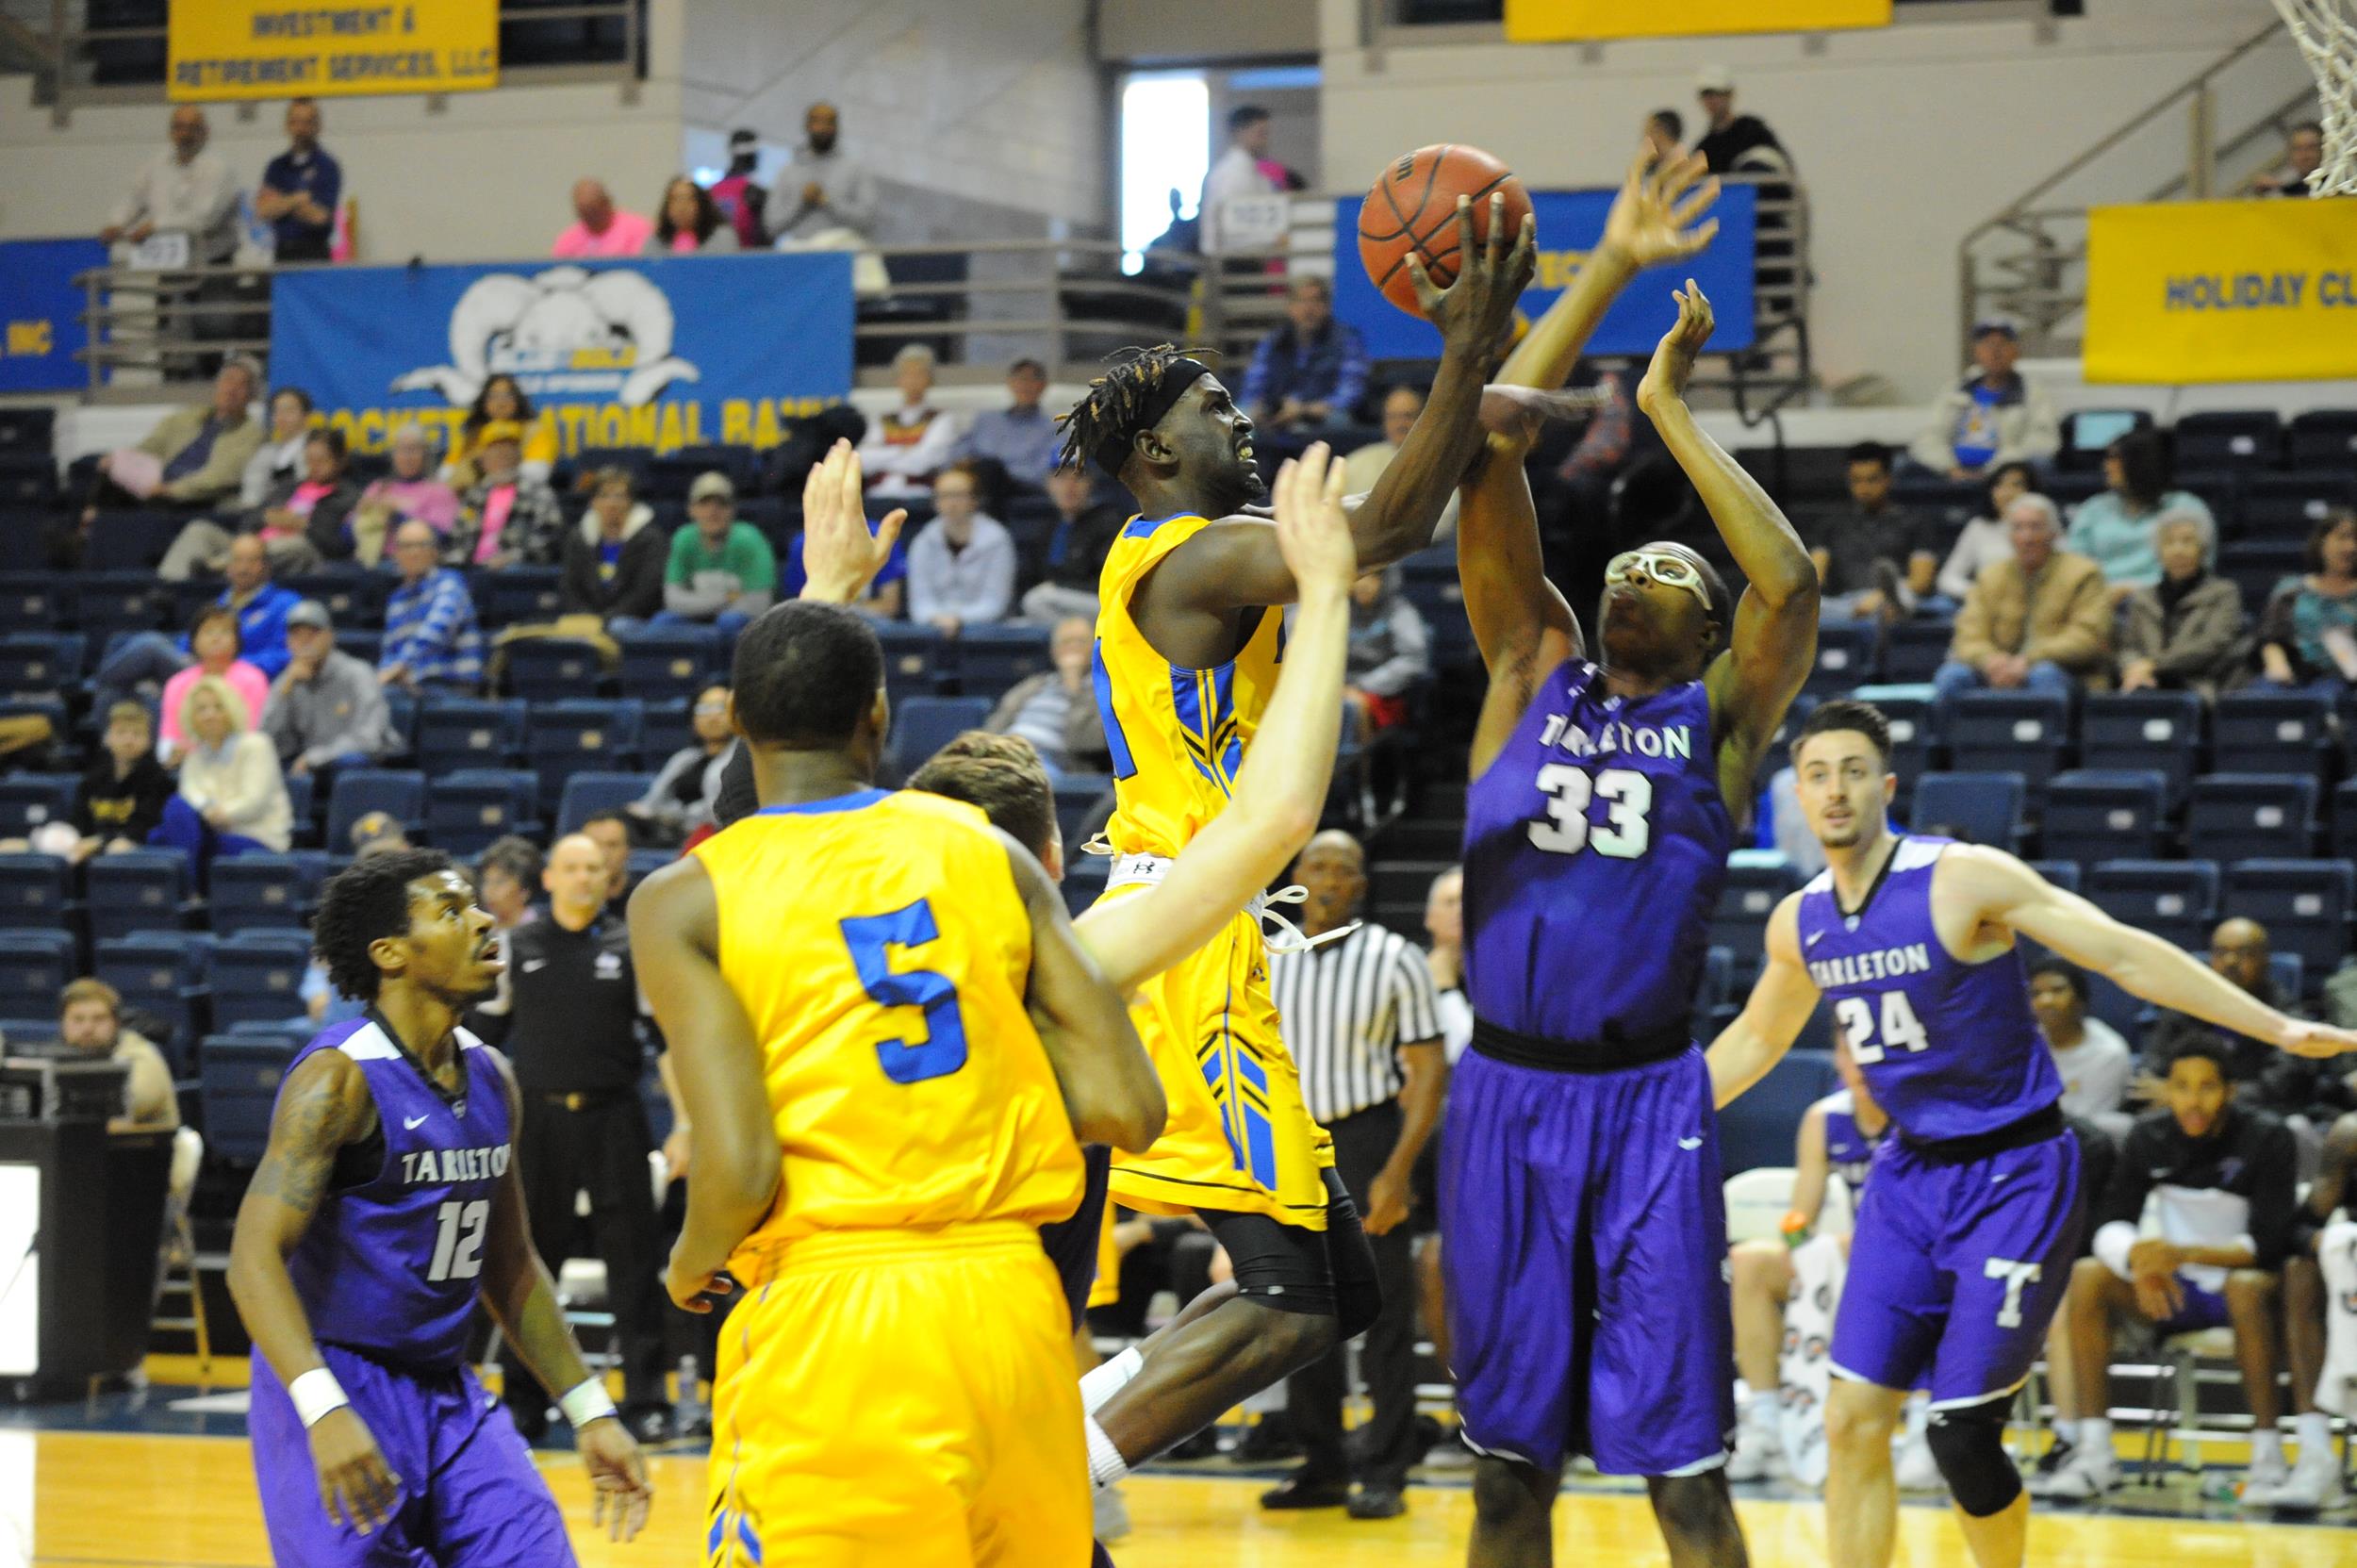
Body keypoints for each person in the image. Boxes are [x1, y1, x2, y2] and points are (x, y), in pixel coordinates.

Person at [723, 436, 1360, 1555]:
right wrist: (1324, 593)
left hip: (819, 1348)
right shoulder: (1064, 966)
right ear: (1048, 860)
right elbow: (1271, 821)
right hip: (987, 1353)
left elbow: (766, 810)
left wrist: (825, 594)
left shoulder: (795, 942)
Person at [1048, 171, 1530, 1500]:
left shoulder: (1212, 541)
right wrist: (1462, 354)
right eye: (1212, 408)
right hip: (1183, 938)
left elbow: (1406, 507)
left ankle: (1063, 1428)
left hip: (1203, 925)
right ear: (1155, 453)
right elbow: (1386, 529)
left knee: (1340, 1285)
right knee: (1290, 1294)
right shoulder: (1181, 553)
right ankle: (1052, 1472)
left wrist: (1481, 365)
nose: (1242, 416)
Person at [1705, 698, 2354, 1568]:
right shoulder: (1801, 919)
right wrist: (1649, 1113)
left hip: (2015, 1171)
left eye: (1853, 772)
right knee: (1851, 1416)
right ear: (1798, 793)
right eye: (1817, 774)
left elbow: (2120, 951)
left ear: (1886, 786)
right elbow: (1756, 1035)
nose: (1835, 790)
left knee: (1962, 1435)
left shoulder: (1961, 877)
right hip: (1908, 1178)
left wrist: (2274, 1026)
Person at [628, 574, 1160, 1563]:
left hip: (838, 1311)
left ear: (735, 719)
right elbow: (1129, 1107)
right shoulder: (989, 852)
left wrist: (691, 1261)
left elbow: (739, 1166)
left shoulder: (684, 897)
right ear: (877, 714)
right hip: (1013, 1311)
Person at [1441, 155, 1805, 1568]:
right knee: (1504, 1476)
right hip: (1504, 1093)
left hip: (1649, 1101)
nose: (1630, 575)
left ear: (1710, 635)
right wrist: (1603, 277)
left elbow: (1789, 583)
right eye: (1621, 568)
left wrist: (1668, 411)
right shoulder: (1528, 671)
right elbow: (1487, 449)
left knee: (1686, 1481)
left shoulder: (1720, 726)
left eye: (1668, 574)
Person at [225, 850, 651, 1561]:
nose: (483, 920)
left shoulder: (493, 1076)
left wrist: (590, 1409)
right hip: (337, 1377)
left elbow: (510, 1263)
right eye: (451, 911)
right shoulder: (337, 1081)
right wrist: (322, 1407)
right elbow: (252, 1257)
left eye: (477, 904)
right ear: (389, 953)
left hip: (447, 1388)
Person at [470, 834, 682, 1444]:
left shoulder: (630, 946)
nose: (583, 877)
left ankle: (646, 1399)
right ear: (550, 879)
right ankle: (524, 1401)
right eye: (571, 867)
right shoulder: (517, 946)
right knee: (530, 1260)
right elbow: (482, 1036)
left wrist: (687, 1124)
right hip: (538, 1121)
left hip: (615, 1116)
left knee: (634, 1262)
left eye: (593, 868)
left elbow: (666, 1041)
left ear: (608, 878)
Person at [1261, 830, 1446, 1521]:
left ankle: (1386, 1468)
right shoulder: (1265, 955)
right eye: (1319, 866)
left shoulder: (1396, 958)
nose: (1331, 879)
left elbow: (1430, 1072)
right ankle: (1322, 1465)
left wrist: (1398, 1170)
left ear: (1362, 886)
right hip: (1285, 1140)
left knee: (1384, 1311)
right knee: (1301, 1308)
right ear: (1297, 877)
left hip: (1366, 1137)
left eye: (1345, 869)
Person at [2045, 1037, 2301, 1501]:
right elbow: (2111, 1220)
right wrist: (2138, 1262)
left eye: (2207, 1087)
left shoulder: (2267, 1137)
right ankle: (2095, 1455)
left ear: (2231, 1091)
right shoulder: (2149, 1136)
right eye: (2181, 1087)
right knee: (2087, 1276)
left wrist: (2181, 1254)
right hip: (2174, 1289)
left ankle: (2268, 1460)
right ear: (2167, 1091)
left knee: (2245, 1287)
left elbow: (2269, 1243)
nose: (2193, 1100)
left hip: (2244, 1290)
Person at [1725, 1042, 1887, 1483]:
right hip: (1849, 1262)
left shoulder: (1921, 1114)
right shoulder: (1824, 1118)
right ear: (1838, 1058)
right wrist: (1801, 1247)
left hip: (1907, 1259)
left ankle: (1917, 1431)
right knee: (1749, 1263)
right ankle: (1766, 1422)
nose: (1861, 1063)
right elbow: (1799, 1219)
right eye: (1850, 1052)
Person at [1933, 493, 2112, 701]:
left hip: (2067, 672)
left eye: (2036, 527)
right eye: (2018, 528)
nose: (2027, 538)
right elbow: (1967, 636)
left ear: (2053, 534)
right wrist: (1991, 660)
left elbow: (2088, 637)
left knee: (2043, 675)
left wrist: (2029, 660)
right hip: (1996, 669)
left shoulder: (2083, 574)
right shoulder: (1990, 577)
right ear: (2009, 536)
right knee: (1951, 676)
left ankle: (2045, 725)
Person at [2265, 1111, 2357, 1510]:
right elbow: (2297, 1230)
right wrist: (2329, 1242)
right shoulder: (2351, 1135)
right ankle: (2316, 1454)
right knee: (2300, 1272)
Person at [162, 426, 362, 580]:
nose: (314, 466)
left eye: (322, 460)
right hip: (255, 544)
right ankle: (166, 587)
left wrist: (304, 526)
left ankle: (219, 567)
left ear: (341, 460)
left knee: (295, 545)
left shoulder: (349, 497)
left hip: (300, 552)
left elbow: (341, 547)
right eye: (309, 460)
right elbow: (247, 522)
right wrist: (265, 518)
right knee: (199, 530)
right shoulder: (288, 487)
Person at [85, 358, 263, 520]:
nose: (231, 389)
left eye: (241, 385)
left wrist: (170, 489)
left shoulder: (251, 435)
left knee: (153, 505)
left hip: (191, 497)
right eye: (228, 380)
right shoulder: (187, 418)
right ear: (218, 385)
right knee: (108, 475)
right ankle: (86, 529)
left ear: (252, 395)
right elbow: (152, 445)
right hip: (157, 481)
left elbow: (219, 477)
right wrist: (119, 460)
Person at [151, 676, 291, 875]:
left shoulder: (256, 745)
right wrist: (207, 811)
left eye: (218, 707)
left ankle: (187, 887)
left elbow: (254, 802)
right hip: (207, 833)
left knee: (173, 837)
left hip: (256, 837)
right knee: (171, 813)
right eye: (201, 709)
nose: (210, 715)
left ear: (232, 710)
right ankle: (185, 885)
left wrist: (220, 813)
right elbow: (189, 795)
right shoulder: (195, 754)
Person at [2064, 428, 2217, 597]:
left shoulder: (2186, 507)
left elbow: (2202, 566)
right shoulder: (2093, 508)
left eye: (2114, 458)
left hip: (2167, 600)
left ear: (2139, 462)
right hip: (2099, 600)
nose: (2106, 466)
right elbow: (2073, 564)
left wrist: (2138, 591)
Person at [1906, 322, 2060, 481]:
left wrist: (1996, 469)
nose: (1995, 351)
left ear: (2016, 352)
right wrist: (1949, 468)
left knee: (2041, 463)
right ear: (1976, 353)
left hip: (2005, 475)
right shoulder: (1955, 391)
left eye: (2002, 345)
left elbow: (2043, 442)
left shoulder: (2034, 393)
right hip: (1951, 472)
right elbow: (1929, 435)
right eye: (1987, 345)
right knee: (1905, 466)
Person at [263, 602, 397, 780]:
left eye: (312, 634)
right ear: (288, 642)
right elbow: (267, 742)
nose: (304, 642)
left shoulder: (357, 673)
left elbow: (369, 737)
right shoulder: (288, 680)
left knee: (352, 762)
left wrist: (315, 758)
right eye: (297, 636)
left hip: (363, 767)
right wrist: (285, 691)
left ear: (330, 636)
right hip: (310, 769)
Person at [1804, 442, 1936, 622]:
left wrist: (1881, 596)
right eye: (1856, 480)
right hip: (1844, 606)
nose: (1864, 488)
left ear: (1888, 479)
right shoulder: (1831, 525)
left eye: (1872, 480)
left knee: (1902, 604)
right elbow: (1814, 580)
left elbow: (1921, 581)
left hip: (1893, 600)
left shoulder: (1915, 522)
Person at [2118, 511, 2245, 698]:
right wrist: (2133, 667)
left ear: (2202, 548)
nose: (2178, 550)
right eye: (2169, 542)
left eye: (2187, 541)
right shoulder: (2142, 597)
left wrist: (2154, 665)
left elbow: (2214, 644)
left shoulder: (2224, 593)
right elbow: (2127, 647)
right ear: (2159, 550)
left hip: (2198, 684)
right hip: (2142, 681)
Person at [101, 104, 239, 265]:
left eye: (192, 128)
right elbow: (133, 199)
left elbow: (205, 219)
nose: (185, 134)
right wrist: (116, 224)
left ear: (205, 132)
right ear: (170, 132)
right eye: (179, 127)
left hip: (213, 262)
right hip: (170, 261)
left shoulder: (219, 169)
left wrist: (156, 226)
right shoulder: (156, 166)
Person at [1241, 277, 1372, 436]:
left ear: (1328, 306)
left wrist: (1304, 410)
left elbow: (1351, 393)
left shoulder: (1346, 340)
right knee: (1239, 419)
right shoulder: (1273, 341)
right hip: (1275, 414)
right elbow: (1253, 388)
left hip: (1319, 416)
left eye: (1316, 301)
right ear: (1290, 307)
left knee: (1338, 419)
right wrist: (1258, 409)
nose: (1309, 309)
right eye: (1301, 301)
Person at [984, 617, 1109, 780]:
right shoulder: (1034, 684)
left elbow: (1086, 743)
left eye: (1080, 641)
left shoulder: (1103, 689)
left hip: (1053, 762)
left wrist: (1074, 688)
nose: (1072, 647)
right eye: (1065, 642)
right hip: (1008, 751)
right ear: (1054, 651)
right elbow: (994, 726)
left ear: (1095, 647)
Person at [147, 605, 272, 764]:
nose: (216, 638)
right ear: (194, 641)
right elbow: (168, 739)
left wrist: (205, 751)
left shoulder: (253, 679)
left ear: (237, 640)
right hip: (185, 763)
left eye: (224, 632)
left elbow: (253, 733)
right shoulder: (177, 683)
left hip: (238, 761)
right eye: (208, 632)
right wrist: (173, 753)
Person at [2255, 508, 2357, 695]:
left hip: (2347, 682)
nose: (2350, 547)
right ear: (2321, 542)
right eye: (2342, 538)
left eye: (2355, 540)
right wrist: (2277, 665)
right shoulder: (2291, 590)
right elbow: (2271, 639)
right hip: (2295, 675)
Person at [660, 472, 776, 636]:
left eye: (722, 504)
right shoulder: (683, 538)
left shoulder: (750, 539)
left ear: (733, 510)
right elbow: (672, 600)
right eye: (704, 504)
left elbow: (759, 603)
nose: (713, 511)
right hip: (697, 616)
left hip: (738, 621)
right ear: (691, 510)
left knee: (728, 622)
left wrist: (707, 607)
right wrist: (727, 598)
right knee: (663, 622)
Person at [906, 463, 1016, 634]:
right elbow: (920, 602)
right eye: (944, 496)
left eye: (959, 495)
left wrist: (958, 619)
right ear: (935, 502)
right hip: (933, 627)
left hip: (988, 629)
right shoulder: (922, 541)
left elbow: (995, 602)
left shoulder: (997, 539)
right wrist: (937, 619)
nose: (952, 503)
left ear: (974, 500)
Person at [58, 978, 177, 1133]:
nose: (88, 1028)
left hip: (144, 1148)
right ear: (63, 1023)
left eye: (99, 1019)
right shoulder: (58, 1057)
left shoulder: (140, 1055)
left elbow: (130, 1103)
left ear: (116, 1023)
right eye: (78, 1019)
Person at [2027, 958, 2134, 1130]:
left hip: (2091, 1137)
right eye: (2036, 993)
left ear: (2079, 998)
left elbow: (2089, 1126)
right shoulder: (2024, 1046)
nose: (2045, 1001)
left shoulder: (2108, 1052)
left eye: (2057, 990)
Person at [1343, 386, 1459, 540]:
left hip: (1421, 552)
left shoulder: (1444, 464)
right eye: (1392, 417)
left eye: (1408, 416)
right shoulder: (1356, 461)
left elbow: (1442, 523)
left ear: (1425, 419)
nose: (1400, 424)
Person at [380, 522, 485, 692]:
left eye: (422, 545)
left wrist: (394, 670)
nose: (414, 553)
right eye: (406, 546)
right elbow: (389, 651)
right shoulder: (397, 599)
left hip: (452, 689)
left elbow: (435, 633)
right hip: (410, 689)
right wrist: (382, 676)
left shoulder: (450, 584)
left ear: (435, 551)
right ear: (396, 554)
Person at [64, 703, 173, 864]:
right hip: (88, 849)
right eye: (121, 732)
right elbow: (79, 820)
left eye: (137, 734)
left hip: (135, 854)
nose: (129, 740)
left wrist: (101, 841)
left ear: (149, 740)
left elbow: (142, 827)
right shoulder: (93, 777)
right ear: (108, 737)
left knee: (119, 848)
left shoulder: (158, 779)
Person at [559, 468, 667, 628]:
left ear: (631, 502)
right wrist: (586, 618)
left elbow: (646, 593)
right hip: (588, 621)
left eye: (619, 496)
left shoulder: (651, 539)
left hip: (636, 620)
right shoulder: (578, 538)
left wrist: (605, 621)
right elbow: (570, 587)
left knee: (619, 627)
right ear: (593, 502)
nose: (612, 503)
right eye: (604, 496)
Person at [447, 424, 566, 569]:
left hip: (515, 574)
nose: (503, 456)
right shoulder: (473, 496)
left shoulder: (539, 494)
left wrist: (512, 558)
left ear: (519, 457)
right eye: (495, 451)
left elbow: (549, 541)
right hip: (472, 570)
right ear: (483, 460)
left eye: (509, 450)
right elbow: (457, 538)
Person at [628, 684, 735, 844]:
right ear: (693, 719)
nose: (713, 717)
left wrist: (669, 815)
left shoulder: (743, 760)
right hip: (669, 831)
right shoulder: (684, 758)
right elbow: (651, 802)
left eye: (721, 708)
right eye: (704, 709)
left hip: (712, 837)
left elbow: (716, 813)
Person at [1018, 466, 1125, 624]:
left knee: (1037, 600)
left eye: (1078, 477)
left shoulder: (1107, 523)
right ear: (1048, 484)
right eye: (1061, 477)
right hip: (1060, 603)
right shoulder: (1049, 527)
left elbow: (1110, 583)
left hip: (1101, 604)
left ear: (1090, 483)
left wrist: (1058, 586)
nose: (1069, 486)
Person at [856, 344, 960, 499]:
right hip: (878, 494)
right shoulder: (883, 420)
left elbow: (923, 463)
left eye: (919, 374)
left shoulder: (942, 419)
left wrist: (885, 454)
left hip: (920, 495)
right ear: (898, 380)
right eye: (907, 374)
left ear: (930, 380)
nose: (912, 380)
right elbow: (864, 460)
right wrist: (904, 450)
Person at [351, 423, 461, 566]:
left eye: (413, 450)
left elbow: (441, 537)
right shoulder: (379, 488)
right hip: (373, 562)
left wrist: (399, 514)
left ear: (425, 454)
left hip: (416, 565)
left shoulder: (440, 491)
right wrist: (359, 515)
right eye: (401, 450)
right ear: (393, 455)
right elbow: (346, 537)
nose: (407, 457)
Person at [772, 101, 877, 247]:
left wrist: (827, 200)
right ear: (807, 126)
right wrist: (802, 203)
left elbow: (868, 221)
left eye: (829, 122)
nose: (823, 128)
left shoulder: (855, 169)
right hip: (800, 250)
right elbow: (772, 225)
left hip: (842, 249)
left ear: (836, 128)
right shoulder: (788, 172)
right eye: (817, 121)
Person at [1343, 568, 1430, 735]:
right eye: (1359, 577)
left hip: (1381, 692)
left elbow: (1413, 660)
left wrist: (1362, 686)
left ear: (1386, 580)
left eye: (1372, 577)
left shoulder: (1401, 612)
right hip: (1342, 686)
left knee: (1351, 707)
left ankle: (1360, 753)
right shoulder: (1341, 610)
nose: (1363, 584)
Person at [254, 98, 340, 263]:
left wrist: (281, 202)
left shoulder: (327, 166)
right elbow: (263, 211)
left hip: (315, 253)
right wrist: (298, 199)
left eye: (307, 123)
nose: (301, 129)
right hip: (282, 253)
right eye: (295, 122)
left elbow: (319, 217)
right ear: (287, 125)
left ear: (318, 126)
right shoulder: (277, 166)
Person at [957, 356, 1063, 489]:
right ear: (1010, 383)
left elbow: (1045, 472)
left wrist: (1002, 472)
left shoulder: (1054, 428)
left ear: (1043, 386)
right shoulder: (986, 420)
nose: (1025, 386)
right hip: (977, 485)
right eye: (1020, 379)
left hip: (1022, 489)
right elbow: (959, 453)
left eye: (1033, 380)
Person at [1936, 462, 2034, 604]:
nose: (2007, 493)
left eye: (2016, 485)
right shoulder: (1979, 527)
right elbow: (1947, 579)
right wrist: (1979, 592)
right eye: (1999, 485)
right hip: (1988, 605)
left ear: (2032, 492)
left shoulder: (2045, 527)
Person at [442, 375, 558, 491]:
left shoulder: (534, 431)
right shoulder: (473, 435)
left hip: (521, 495)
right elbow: (446, 476)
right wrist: (475, 467)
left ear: (517, 401)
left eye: (508, 395)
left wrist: (495, 477)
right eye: (493, 396)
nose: (501, 403)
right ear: (484, 403)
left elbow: (538, 473)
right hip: (470, 495)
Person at [1201, 104, 1279, 254]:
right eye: (1261, 134)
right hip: (1233, 258)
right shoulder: (1229, 175)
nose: (1265, 141)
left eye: (1266, 134)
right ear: (1240, 132)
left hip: (1252, 255)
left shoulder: (1258, 175)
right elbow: (1228, 228)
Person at [1692, 66, 1788, 175]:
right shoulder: (1704, 149)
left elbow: (1780, 169)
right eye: (1707, 95)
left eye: (1718, 94)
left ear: (1730, 95)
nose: (1712, 101)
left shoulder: (1754, 132)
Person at [239, 387, 318, 510]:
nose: (281, 417)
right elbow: (252, 491)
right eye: (277, 411)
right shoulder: (266, 451)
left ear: (306, 415)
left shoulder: (315, 449)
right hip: (262, 513)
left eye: (289, 411)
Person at [551, 178, 652, 259]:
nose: (590, 217)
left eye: (594, 210)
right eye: (584, 212)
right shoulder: (567, 241)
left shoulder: (639, 230)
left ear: (607, 203)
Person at [647, 175, 739, 255]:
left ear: (702, 204)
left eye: (689, 199)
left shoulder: (722, 237)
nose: (682, 207)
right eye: (675, 199)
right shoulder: (656, 241)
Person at [708, 128, 769, 248]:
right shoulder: (756, 192)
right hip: (747, 256)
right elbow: (764, 239)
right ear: (754, 155)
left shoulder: (711, 192)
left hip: (715, 255)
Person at [475, 836, 543, 932]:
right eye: (486, 881)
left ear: (525, 891)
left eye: (499, 882)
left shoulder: (540, 933)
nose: (489, 890)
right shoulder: (482, 930)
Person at [578, 811, 634, 909]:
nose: (603, 854)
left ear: (627, 851)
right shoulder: (561, 904)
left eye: (612, 845)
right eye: (594, 845)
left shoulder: (644, 902)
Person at [2255, 121, 2326, 197]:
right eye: (2297, 149)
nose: (2304, 155)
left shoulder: (2333, 184)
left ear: (2324, 149)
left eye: (2311, 148)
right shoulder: (2291, 190)